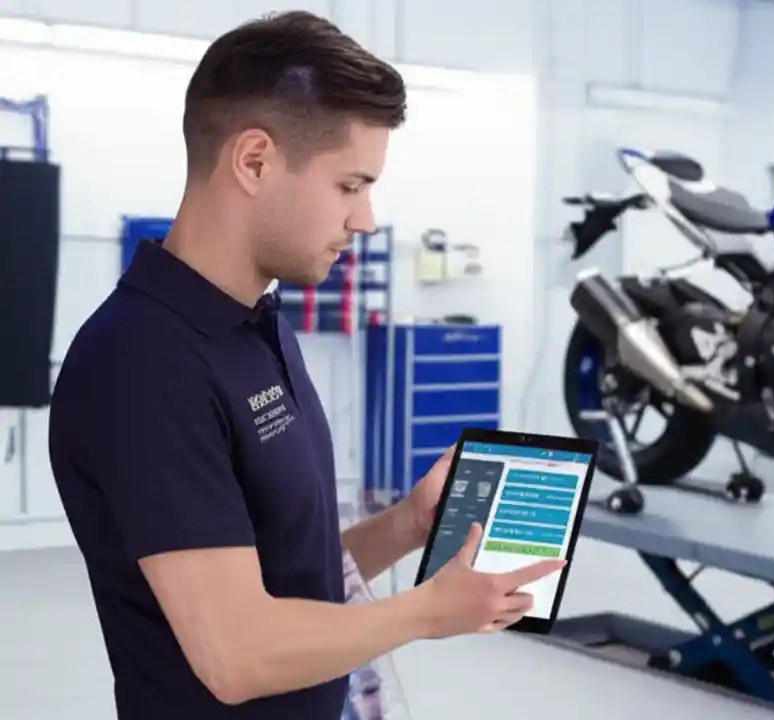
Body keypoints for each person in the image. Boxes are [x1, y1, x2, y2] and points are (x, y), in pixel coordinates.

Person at [46, 10, 563, 719]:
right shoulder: (141, 364)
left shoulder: (257, 326)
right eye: (350, 186)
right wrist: (424, 612)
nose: (366, 219)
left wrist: (408, 525)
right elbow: (238, 654)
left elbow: (287, 577)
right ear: (253, 161)